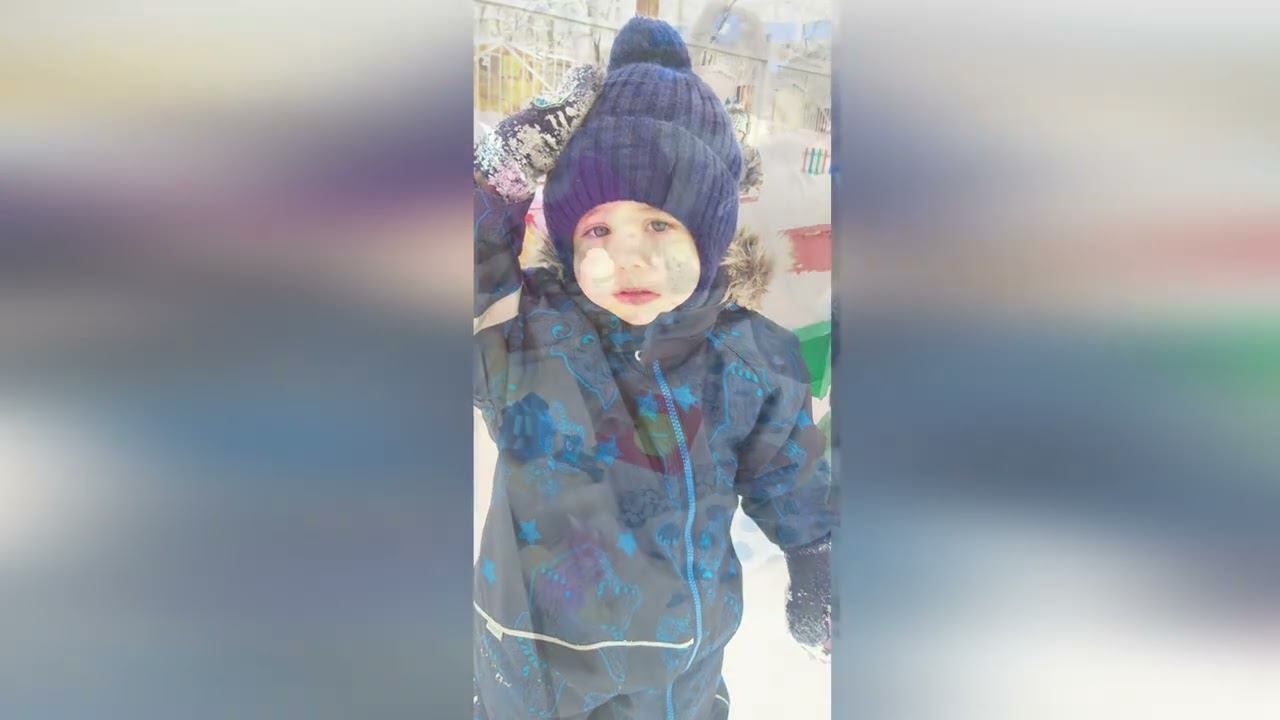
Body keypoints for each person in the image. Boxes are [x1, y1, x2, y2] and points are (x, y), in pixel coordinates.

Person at [472, 17, 835, 720]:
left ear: (710, 231)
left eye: (660, 224)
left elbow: (787, 470)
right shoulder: (524, 337)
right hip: (529, 668)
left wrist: (817, 555)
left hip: (679, 675)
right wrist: (494, 184)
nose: (629, 256)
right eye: (598, 229)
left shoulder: (748, 359)